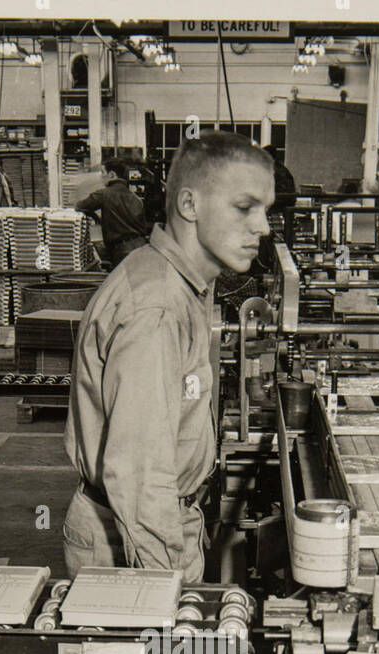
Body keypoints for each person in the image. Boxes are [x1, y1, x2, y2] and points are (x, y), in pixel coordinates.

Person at [62, 131, 275, 583]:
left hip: (162, 521)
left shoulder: (185, 285)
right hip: (131, 538)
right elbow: (138, 477)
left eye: (265, 210)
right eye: (245, 207)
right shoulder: (156, 307)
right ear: (189, 206)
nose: (264, 227)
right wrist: (166, 594)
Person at [75, 160, 150, 269]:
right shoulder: (136, 198)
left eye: (103, 172)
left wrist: (94, 216)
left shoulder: (104, 194)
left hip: (121, 250)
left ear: (112, 175)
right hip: (142, 247)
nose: (101, 177)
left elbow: (80, 206)